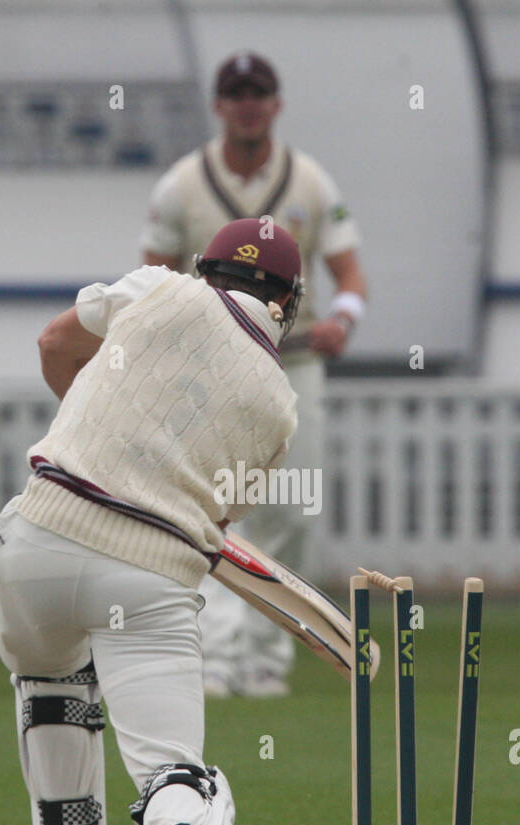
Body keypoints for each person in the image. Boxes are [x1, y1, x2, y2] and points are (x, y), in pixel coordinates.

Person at [0, 219, 307, 825]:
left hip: (37, 537)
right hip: (151, 573)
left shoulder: (157, 288)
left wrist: (93, 428)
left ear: (205, 268)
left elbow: (53, 342)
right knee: (172, 764)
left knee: (52, 682)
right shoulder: (281, 408)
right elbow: (221, 518)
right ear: (287, 300)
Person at [141, 51, 367, 698]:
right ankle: (215, 655)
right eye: (236, 93)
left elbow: (351, 275)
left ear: (276, 103)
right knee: (213, 510)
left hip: (294, 363)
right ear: (218, 105)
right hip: (209, 368)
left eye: (258, 93)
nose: (247, 104)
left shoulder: (311, 182)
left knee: (292, 510)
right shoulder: (181, 184)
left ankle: (269, 657)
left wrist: (343, 323)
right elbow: (152, 277)